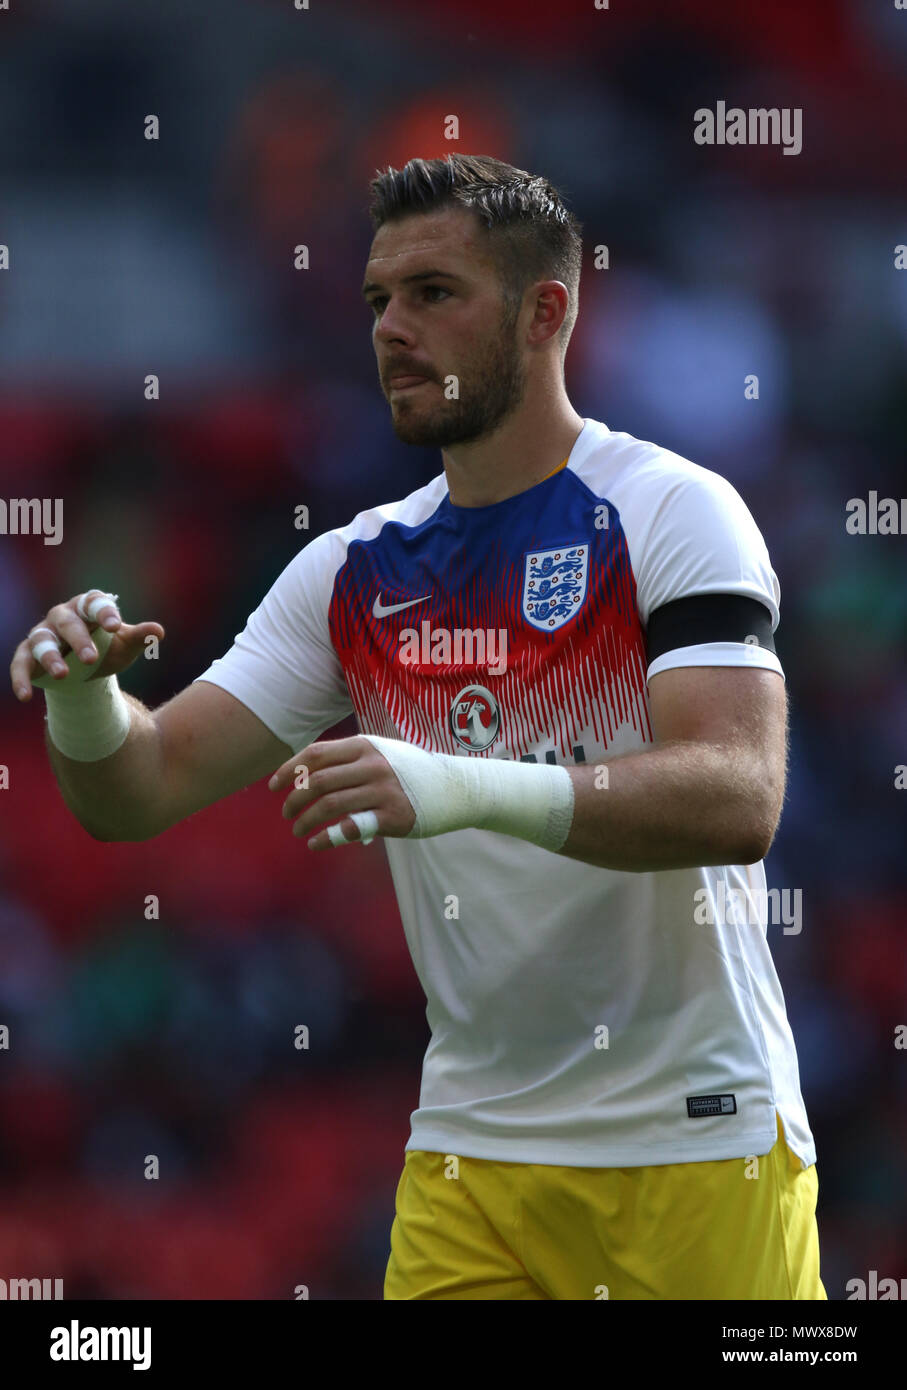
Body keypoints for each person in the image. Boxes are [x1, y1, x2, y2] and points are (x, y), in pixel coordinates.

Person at [10, 153, 825, 1301]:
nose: (393, 327)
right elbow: (134, 792)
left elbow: (736, 795)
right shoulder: (349, 571)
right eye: (378, 300)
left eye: (435, 294)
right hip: (468, 1156)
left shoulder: (669, 511)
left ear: (546, 312)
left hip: (694, 1142)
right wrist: (87, 699)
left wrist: (455, 784)